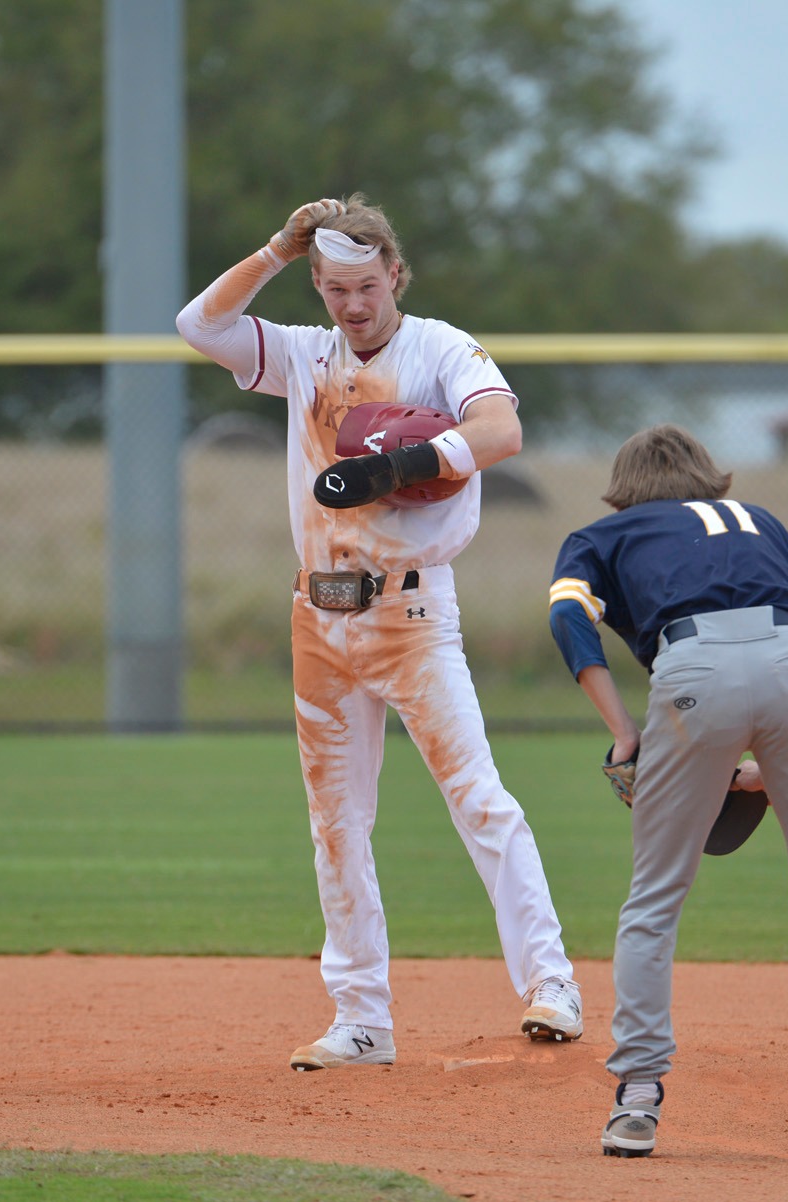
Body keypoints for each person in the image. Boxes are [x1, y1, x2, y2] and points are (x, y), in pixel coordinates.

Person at [176, 194, 582, 1069]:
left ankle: (552, 983)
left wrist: (403, 465)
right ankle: (361, 1019)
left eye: (367, 285)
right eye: (334, 288)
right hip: (318, 617)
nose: (353, 304)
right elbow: (199, 325)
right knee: (335, 822)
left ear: (395, 274)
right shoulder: (304, 354)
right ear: (317, 285)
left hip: (411, 614)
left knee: (478, 798)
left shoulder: (439, 346)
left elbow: (502, 428)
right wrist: (277, 248)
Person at [546, 425, 788, 1162]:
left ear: (623, 488)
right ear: (707, 475)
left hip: (693, 670)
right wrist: (770, 769)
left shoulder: (605, 533)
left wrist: (626, 733)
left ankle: (637, 1100)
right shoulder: (763, 522)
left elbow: (568, 614)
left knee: (654, 899)